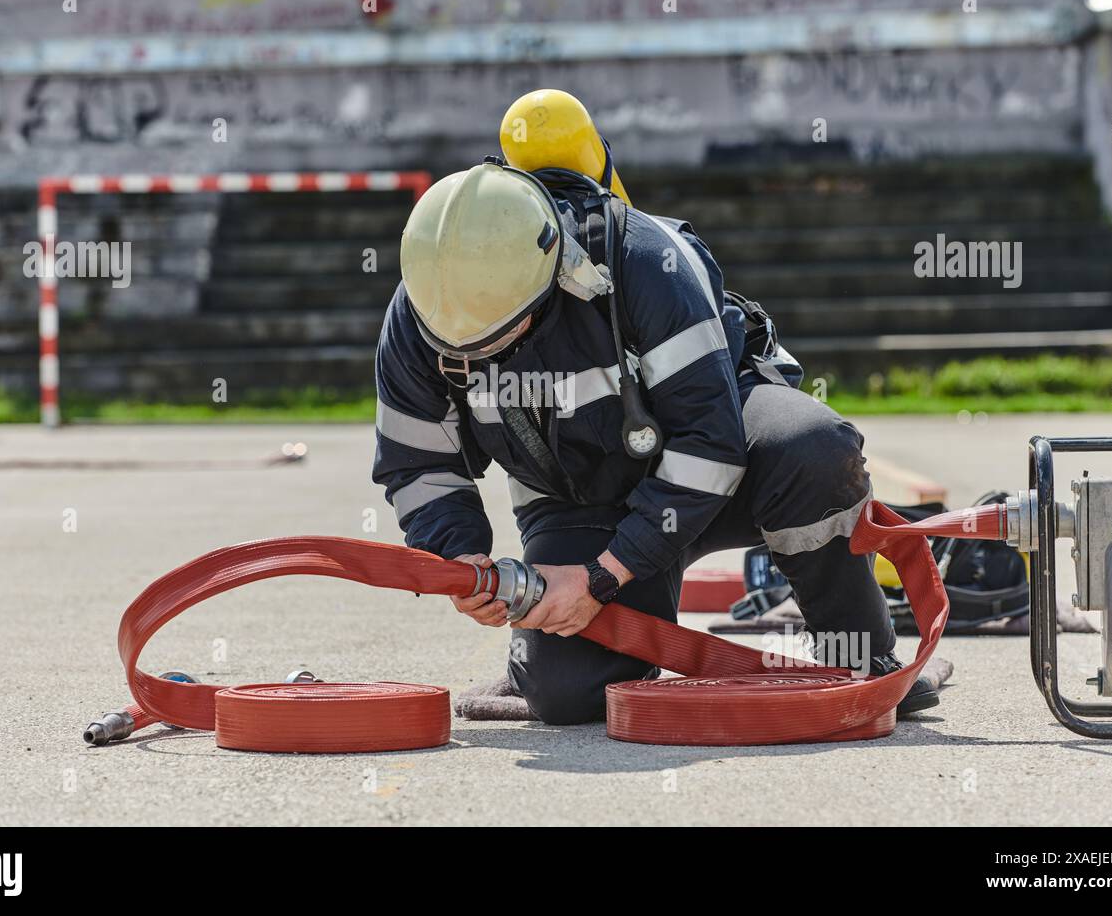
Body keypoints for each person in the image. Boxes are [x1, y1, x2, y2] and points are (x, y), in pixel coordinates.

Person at [372, 97, 937, 725]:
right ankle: (549, 665)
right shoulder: (427, 302)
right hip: (582, 499)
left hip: (722, 465)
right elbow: (415, 462)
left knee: (813, 450)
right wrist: (463, 563)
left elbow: (709, 444)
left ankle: (862, 658)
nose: (480, 354)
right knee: (565, 697)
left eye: (497, 339)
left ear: (552, 278)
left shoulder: (645, 261)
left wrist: (602, 579)